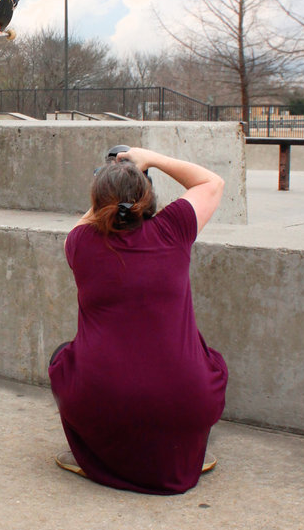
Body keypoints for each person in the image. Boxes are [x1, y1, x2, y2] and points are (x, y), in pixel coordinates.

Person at [47, 147, 228, 495]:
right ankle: (180, 452)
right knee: (205, 360)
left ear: (98, 203)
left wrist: (108, 182)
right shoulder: (173, 230)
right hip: (185, 401)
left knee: (62, 359)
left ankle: (100, 458)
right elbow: (212, 182)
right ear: (148, 200)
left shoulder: (80, 243)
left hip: (103, 400)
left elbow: (89, 219)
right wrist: (148, 158)